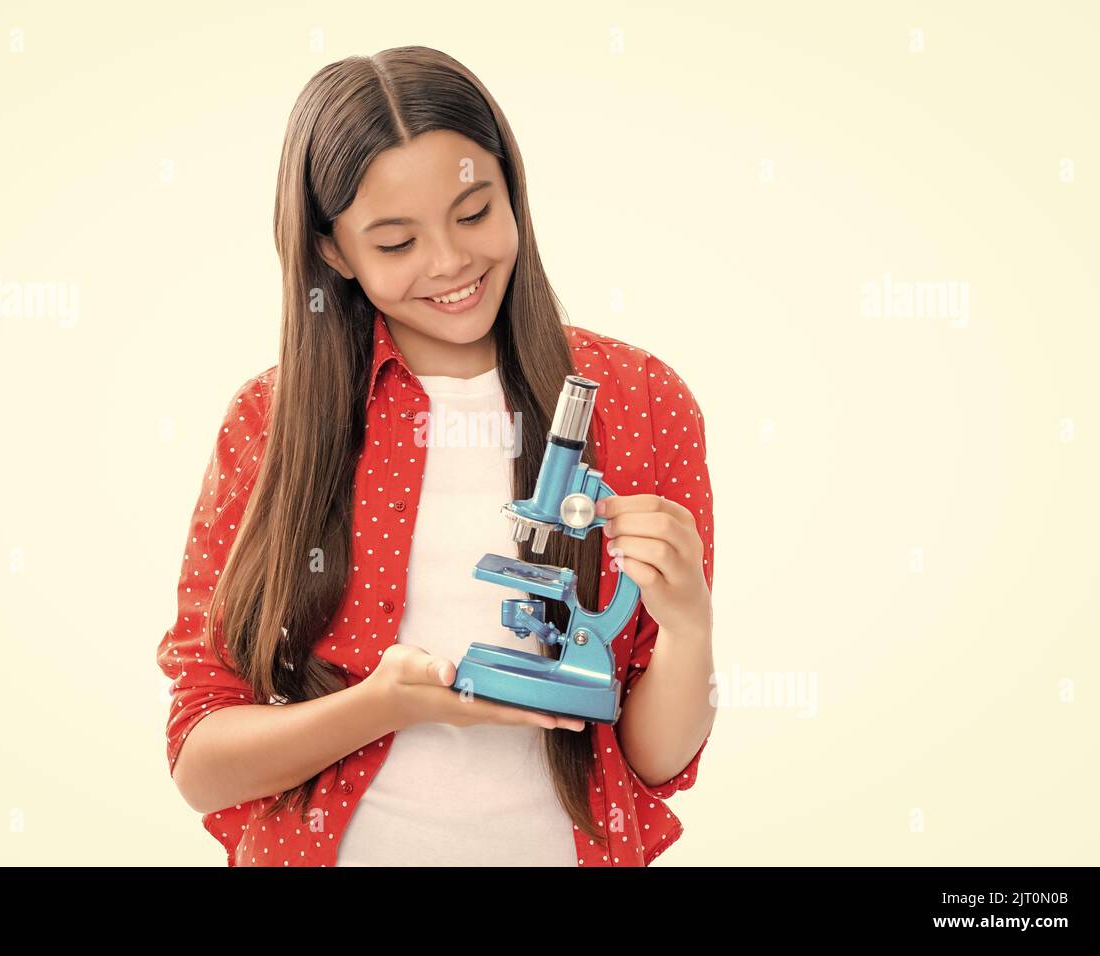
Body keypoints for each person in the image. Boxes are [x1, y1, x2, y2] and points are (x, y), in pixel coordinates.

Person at [156, 45, 717, 867]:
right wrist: (382, 707)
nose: (451, 263)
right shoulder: (271, 422)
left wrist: (688, 623)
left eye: (473, 212)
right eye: (395, 243)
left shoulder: (642, 400)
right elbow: (201, 763)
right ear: (334, 252)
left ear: (512, 191)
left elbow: (655, 761)